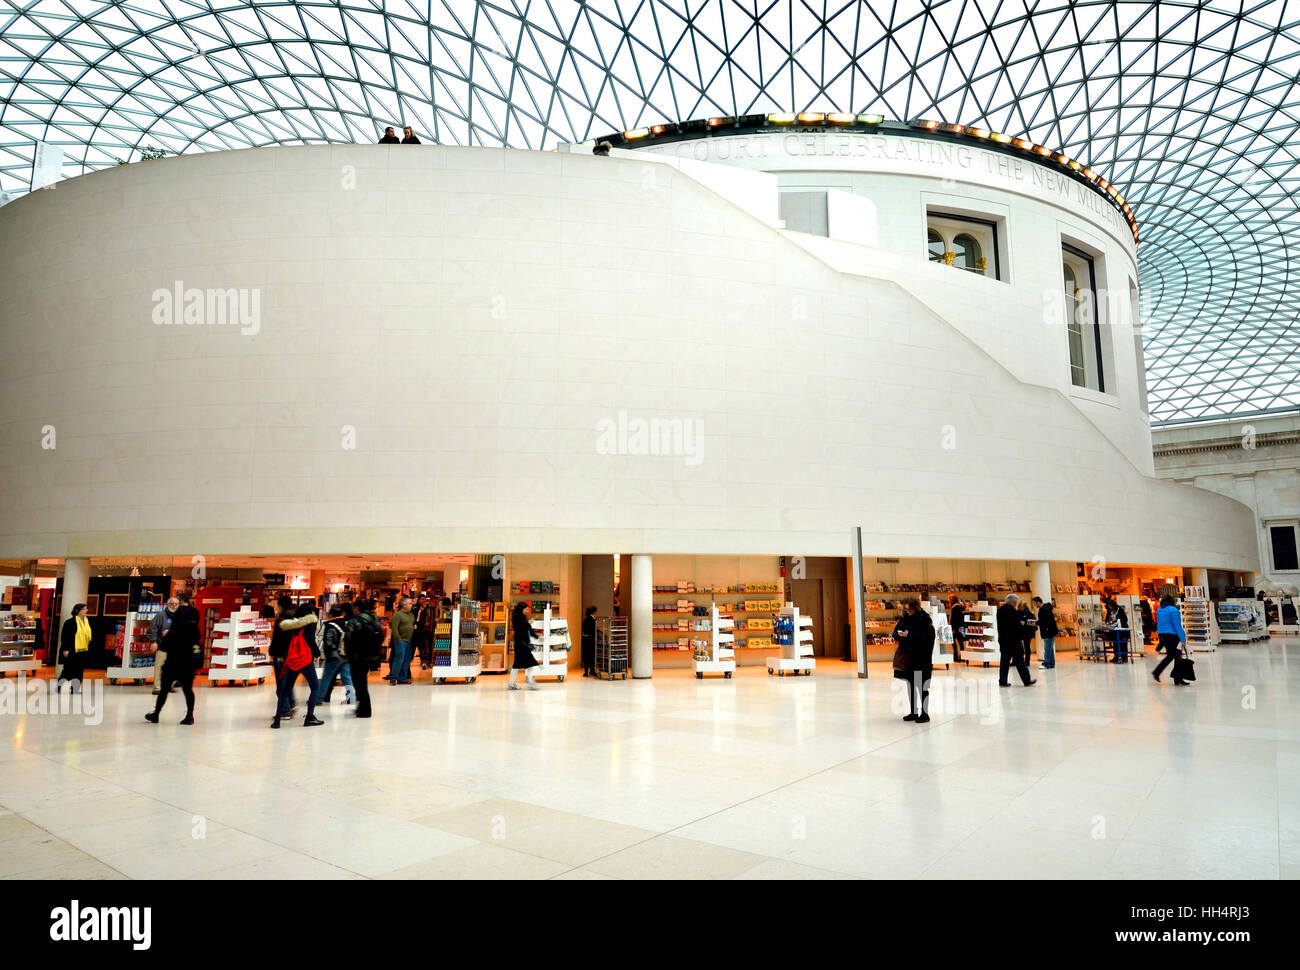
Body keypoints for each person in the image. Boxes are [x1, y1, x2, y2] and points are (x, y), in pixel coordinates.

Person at [145, 592, 201, 724]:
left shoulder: (174, 630)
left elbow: (165, 646)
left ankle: (156, 714)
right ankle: (190, 716)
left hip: (173, 662)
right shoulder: (193, 629)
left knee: (164, 689)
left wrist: (164, 638)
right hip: (188, 662)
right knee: (188, 690)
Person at [273, 603, 322, 728]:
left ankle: (277, 719)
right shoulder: (310, 622)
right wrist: (317, 652)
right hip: (304, 659)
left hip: (292, 658)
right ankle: (310, 717)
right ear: (310, 612)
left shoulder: (291, 624)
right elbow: (310, 639)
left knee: (286, 688)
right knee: (315, 686)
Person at [892, 600, 934, 722]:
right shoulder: (904, 620)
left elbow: (927, 639)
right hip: (908, 659)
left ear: (916, 608)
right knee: (910, 685)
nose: (907, 611)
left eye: (909, 609)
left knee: (922, 687)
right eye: (906, 609)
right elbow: (895, 633)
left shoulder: (925, 622)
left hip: (921, 659)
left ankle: (925, 714)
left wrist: (910, 634)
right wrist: (899, 635)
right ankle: (913, 712)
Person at [345, 600, 381, 717]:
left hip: (357, 656)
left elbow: (348, 640)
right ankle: (361, 707)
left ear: (356, 608)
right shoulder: (373, 618)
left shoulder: (353, 621)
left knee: (359, 683)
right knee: (362, 681)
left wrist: (349, 655)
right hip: (370, 655)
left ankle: (365, 710)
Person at [317, 604, 354, 705]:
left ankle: (319, 698)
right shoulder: (348, 623)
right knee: (346, 676)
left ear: (331, 614)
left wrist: (330, 653)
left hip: (334, 656)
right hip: (346, 654)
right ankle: (351, 697)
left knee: (326, 677)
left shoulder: (329, 624)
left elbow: (328, 641)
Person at [996, 594, 1035, 687]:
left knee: (1004, 661)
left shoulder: (1000, 610)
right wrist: (1021, 626)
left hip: (1003, 640)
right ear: (1013, 602)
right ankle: (1026, 680)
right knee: (1020, 661)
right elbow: (1016, 627)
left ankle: (1003, 681)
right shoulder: (1013, 611)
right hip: (1014, 641)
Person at [1152, 594, 1190, 685]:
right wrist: (1183, 638)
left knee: (1175, 656)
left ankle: (1178, 679)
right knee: (1174, 655)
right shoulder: (1174, 610)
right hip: (1172, 635)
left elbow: (1159, 624)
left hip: (1162, 635)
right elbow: (1177, 626)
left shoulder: (1159, 610)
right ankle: (1158, 672)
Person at [148, 596, 180, 694]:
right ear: (168, 604)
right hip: (163, 646)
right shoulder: (161, 615)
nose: (174, 606)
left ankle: (170, 685)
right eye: (172, 604)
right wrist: (153, 641)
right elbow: (152, 629)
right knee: (160, 667)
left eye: (176, 604)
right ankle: (157, 687)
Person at [58, 602, 92, 693]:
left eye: (86, 609)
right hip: (72, 650)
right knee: (68, 671)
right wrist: (65, 649)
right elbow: (65, 637)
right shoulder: (70, 622)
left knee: (79, 671)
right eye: (84, 609)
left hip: (83, 651)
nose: (86, 610)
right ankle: (59, 685)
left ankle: (75, 689)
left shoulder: (86, 622)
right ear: (77, 611)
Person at [508, 601, 539, 690]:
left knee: (527, 663)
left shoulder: (522, 617)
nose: (527, 610)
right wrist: (529, 623)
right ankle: (528, 683)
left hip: (523, 644)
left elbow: (528, 629)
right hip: (521, 644)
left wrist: (537, 637)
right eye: (526, 609)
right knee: (523, 664)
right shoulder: (516, 617)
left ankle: (526, 683)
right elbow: (522, 628)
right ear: (521, 609)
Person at [387, 596, 414, 685]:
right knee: (399, 659)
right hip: (401, 641)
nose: (411, 605)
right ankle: (393, 678)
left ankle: (402, 678)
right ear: (404, 605)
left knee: (406, 660)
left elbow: (412, 624)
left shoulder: (411, 615)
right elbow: (394, 629)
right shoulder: (397, 615)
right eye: (410, 603)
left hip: (409, 641)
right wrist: (398, 639)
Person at [1032, 596, 1058, 669]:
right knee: (1050, 648)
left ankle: (1046, 664)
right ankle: (1051, 663)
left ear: (1038, 602)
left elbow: (1045, 621)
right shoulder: (1045, 608)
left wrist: (1036, 623)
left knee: (1047, 648)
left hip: (1049, 632)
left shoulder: (1044, 609)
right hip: (1051, 631)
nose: (1034, 605)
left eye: (1034, 603)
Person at [1106, 598, 1131, 663]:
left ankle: (1124, 657)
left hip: (1122, 631)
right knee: (1115, 644)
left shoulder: (1120, 610)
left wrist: (1117, 622)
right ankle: (1116, 657)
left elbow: (1125, 619)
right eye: (1109, 606)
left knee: (1123, 644)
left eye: (1110, 606)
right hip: (1114, 631)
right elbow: (1107, 619)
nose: (1110, 607)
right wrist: (1109, 622)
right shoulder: (1109, 611)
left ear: (1113, 605)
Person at [947, 595, 965, 664]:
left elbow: (954, 619)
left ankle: (956, 656)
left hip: (956, 628)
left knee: (954, 642)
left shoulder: (955, 607)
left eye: (949, 599)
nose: (948, 600)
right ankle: (963, 656)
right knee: (960, 642)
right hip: (961, 627)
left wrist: (952, 628)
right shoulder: (959, 606)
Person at [581, 606, 597, 677]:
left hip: (584, 639)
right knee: (592, 655)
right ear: (594, 612)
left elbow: (584, 630)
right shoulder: (593, 620)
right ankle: (592, 671)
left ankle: (586, 672)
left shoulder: (585, 620)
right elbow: (594, 631)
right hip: (591, 640)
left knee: (585, 655)